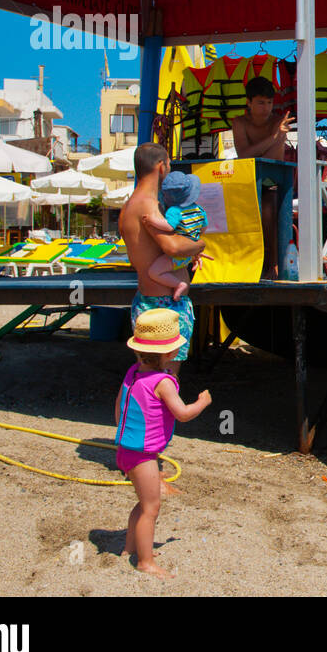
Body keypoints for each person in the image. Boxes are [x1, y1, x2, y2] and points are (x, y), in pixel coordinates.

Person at [115, 308, 212, 579]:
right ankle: (144, 562)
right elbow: (182, 414)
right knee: (151, 507)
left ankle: (130, 547)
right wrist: (202, 403)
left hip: (125, 448)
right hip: (142, 454)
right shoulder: (164, 382)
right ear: (170, 353)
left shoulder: (134, 372)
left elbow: (118, 407)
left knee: (142, 502)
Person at [119, 143, 207, 375]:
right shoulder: (150, 206)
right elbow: (173, 247)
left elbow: (137, 255)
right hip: (165, 305)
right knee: (166, 380)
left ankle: (142, 412)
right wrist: (200, 244)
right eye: (168, 164)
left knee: (149, 377)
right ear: (161, 166)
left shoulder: (128, 205)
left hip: (145, 301)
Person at [232, 76, 293, 279]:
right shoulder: (239, 122)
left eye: (269, 102)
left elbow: (273, 159)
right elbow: (243, 155)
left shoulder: (279, 121)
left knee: (268, 208)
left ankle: (273, 264)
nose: (266, 107)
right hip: (246, 181)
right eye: (260, 102)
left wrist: (276, 137)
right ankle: (244, 263)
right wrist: (274, 138)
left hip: (270, 182)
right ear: (248, 102)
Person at [138, 171, 208, 302]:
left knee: (154, 272)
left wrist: (152, 220)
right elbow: (204, 227)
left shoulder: (175, 211)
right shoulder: (199, 209)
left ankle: (178, 284)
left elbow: (169, 226)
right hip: (188, 253)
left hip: (177, 257)